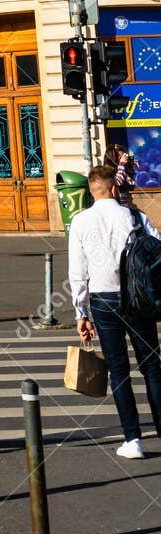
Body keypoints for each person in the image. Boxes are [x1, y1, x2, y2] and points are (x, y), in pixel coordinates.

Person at [70, 164, 161, 459]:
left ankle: (132, 440)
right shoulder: (135, 216)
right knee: (151, 366)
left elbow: (77, 271)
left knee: (118, 371)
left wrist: (80, 312)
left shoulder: (80, 221)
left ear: (91, 191)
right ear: (114, 188)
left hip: (102, 300)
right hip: (138, 299)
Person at [103, 143, 136, 208]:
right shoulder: (106, 173)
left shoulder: (121, 170)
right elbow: (118, 182)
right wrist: (121, 164)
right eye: (120, 157)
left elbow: (131, 184)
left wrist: (130, 167)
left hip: (124, 206)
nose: (123, 160)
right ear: (113, 159)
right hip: (113, 208)